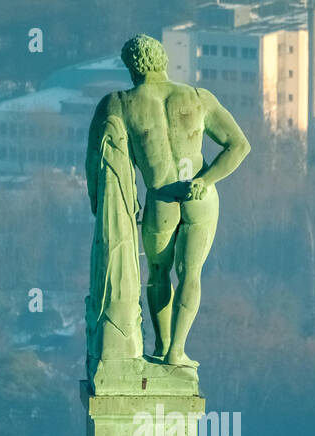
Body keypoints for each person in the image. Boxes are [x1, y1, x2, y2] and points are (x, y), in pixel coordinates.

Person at [85, 34, 249, 370]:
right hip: (200, 195)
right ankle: (177, 351)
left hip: (161, 199)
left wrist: (99, 204)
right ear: (163, 60)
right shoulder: (197, 98)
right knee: (191, 276)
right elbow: (238, 145)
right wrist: (206, 179)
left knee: (158, 272)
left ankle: (161, 346)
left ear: (132, 67)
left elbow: (96, 161)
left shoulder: (118, 103)